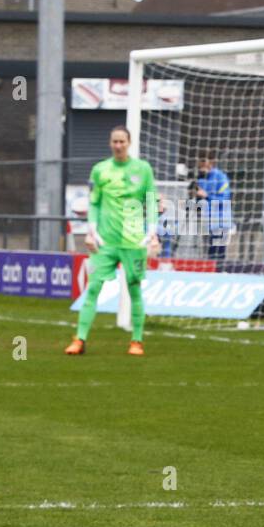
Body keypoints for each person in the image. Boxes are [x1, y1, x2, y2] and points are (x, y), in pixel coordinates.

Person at [65, 126, 158, 356]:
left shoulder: (142, 169)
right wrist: (91, 230)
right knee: (93, 287)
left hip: (134, 241)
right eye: (114, 141)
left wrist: (153, 232)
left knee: (134, 290)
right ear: (110, 143)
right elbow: (94, 202)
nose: (118, 145)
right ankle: (80, 339)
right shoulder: (100, 170)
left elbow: (151, 201)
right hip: (105, 242)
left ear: (129, 143)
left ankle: (136, 341)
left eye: (122, 141)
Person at [194, 150, 233, 263]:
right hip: (206, 223)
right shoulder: (200, 179)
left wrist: (207, 196)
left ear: (211, 162)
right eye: (198, 161)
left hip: (220, 222)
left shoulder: (221, 177)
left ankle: (219, 275)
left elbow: (225, 199)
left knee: (218, 255)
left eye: (203, 161)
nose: (200, 164)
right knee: (208, 255)